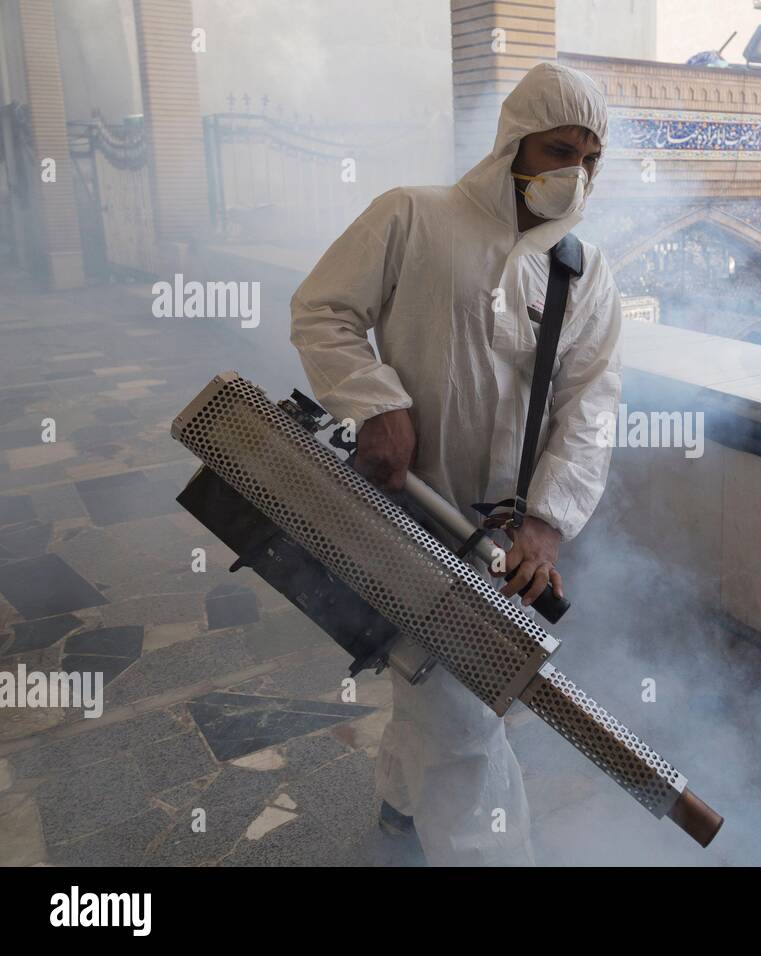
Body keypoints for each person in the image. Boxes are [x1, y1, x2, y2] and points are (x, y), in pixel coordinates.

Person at [288, 62, 622, 865]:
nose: (572, 173)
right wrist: (374, 402)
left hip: (497, 541)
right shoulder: (413, 217)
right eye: (556, 149)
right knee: (466, 730)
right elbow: (324, 311)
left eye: (589, 156)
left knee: (442, 693)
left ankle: (402, 812)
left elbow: (592, 403)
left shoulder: (583, 271)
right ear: (513, 143)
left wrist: (545, 525)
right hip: (402, 511)